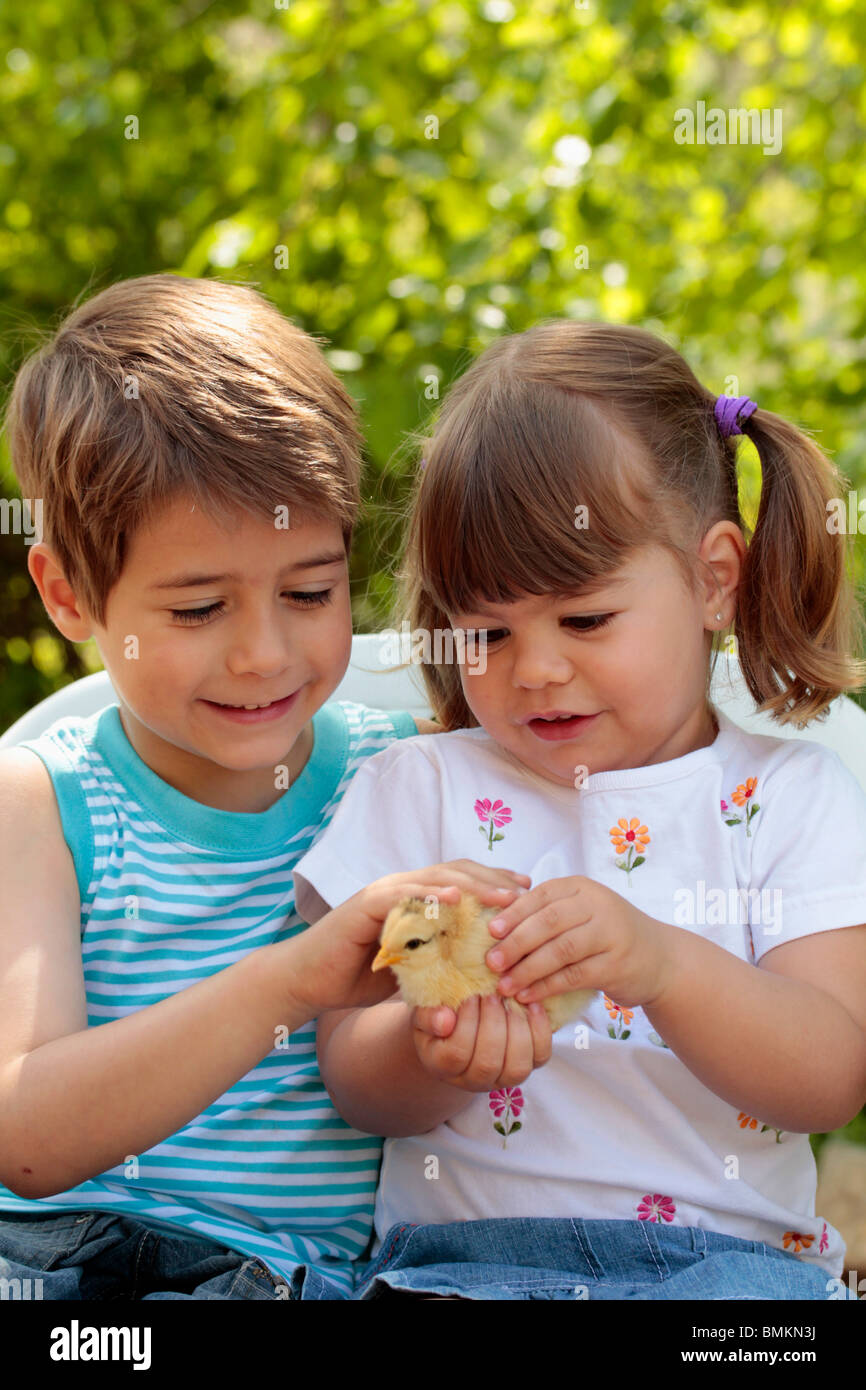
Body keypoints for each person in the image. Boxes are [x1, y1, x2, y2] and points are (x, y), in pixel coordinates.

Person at [292, 319, 866, 1301]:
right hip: (459, 1269)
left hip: (724, 1269)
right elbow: (349, 1076)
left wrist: (662, 962)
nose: (537, 669)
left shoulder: (789, 796)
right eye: (487, 630)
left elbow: (828, 1073)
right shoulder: (417, 789)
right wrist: (432, 1048)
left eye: (584, 617)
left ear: (710, 579)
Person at [0, 273, 529, 1300]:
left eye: (309, 591)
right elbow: (24, 1138)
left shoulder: (407, 774)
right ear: (69, 595)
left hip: (292, 1282)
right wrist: (295, 977)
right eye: (198, 609)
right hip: (54, 1255)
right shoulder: (39, 803)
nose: (263, 654)